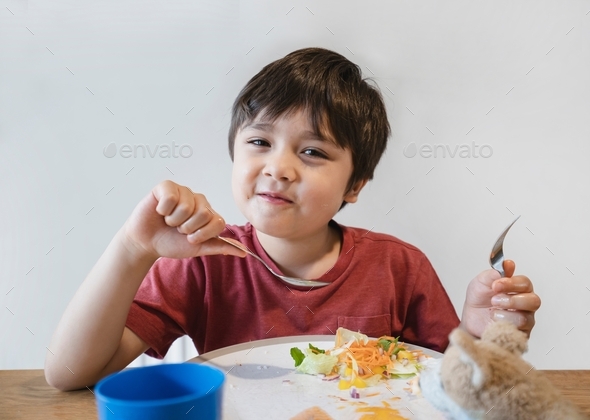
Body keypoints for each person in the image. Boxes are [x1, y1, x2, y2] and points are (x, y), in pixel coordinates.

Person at [44, 48, 541, 391]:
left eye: (311, 151)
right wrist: (134, 249)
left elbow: (456, 386)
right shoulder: (201, 262)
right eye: (259, 142)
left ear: (355, 186)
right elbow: (69, 375)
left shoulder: (398, 266)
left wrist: (482, 338)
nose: (278, 168)